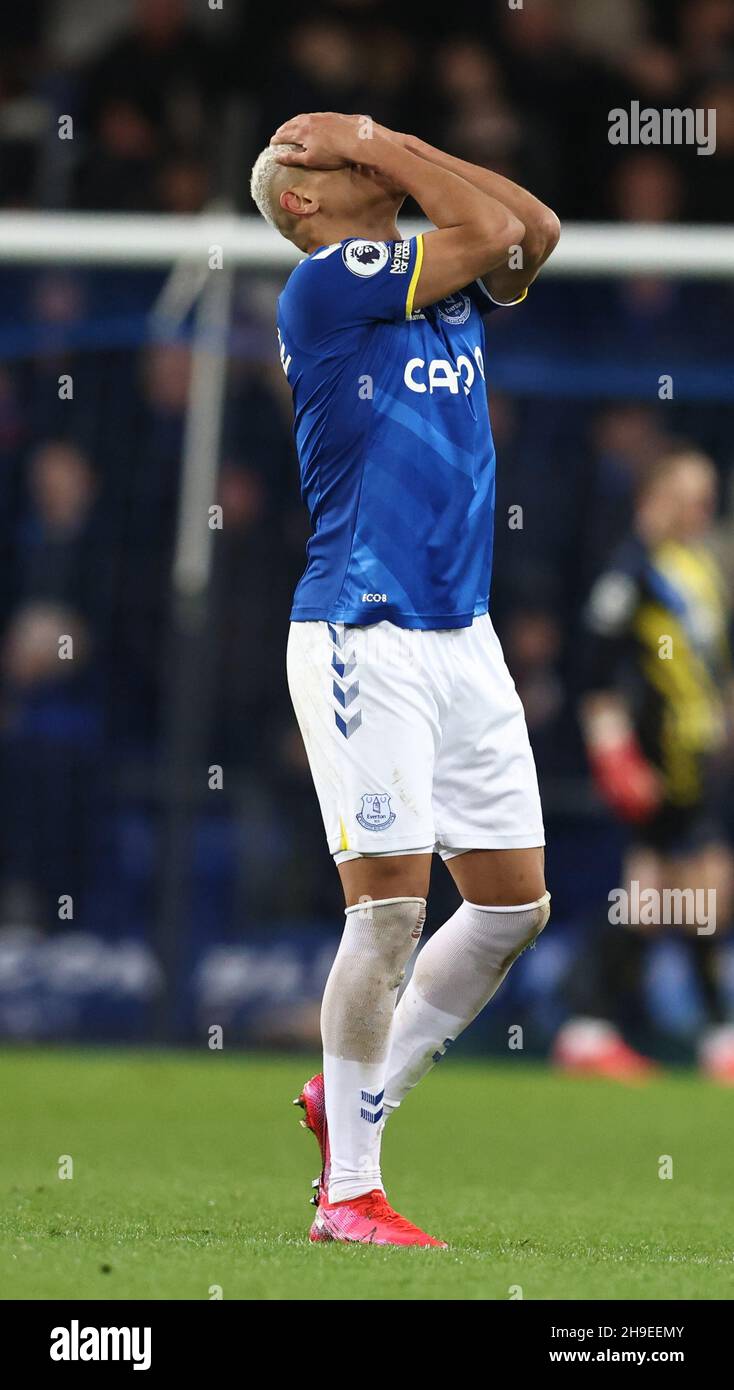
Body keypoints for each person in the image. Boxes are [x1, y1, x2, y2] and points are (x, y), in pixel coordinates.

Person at [250, 111, 560, 1246]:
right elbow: (485, 222)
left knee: (510, 904)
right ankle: (350, 1195)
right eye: (346, 165)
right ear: (300, 200)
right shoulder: (329, 285)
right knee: (386, 912)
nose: (374, 170)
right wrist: (385, 141)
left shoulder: (437, 284)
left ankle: (349, 1095)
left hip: (460, 634)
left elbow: (530, 226)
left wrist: (383, 135)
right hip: (361, 630)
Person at [556, 449, 734, 1082]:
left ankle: (589, 1026)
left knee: (663, 902)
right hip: (655, 761)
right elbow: (593, 668)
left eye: (708, 494)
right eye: (691, 493)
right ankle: (708, 1037)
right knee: (693, 894)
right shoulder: (630, 570)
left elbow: (712, 660)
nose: (703, 507)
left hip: (699, 758)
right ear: (656, 496)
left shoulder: (699, 566)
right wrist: (616, 753)